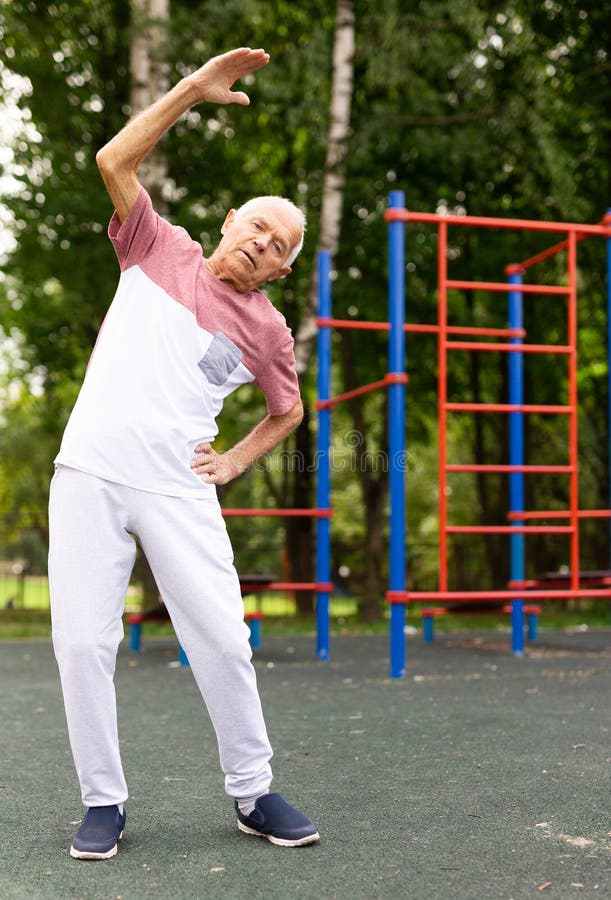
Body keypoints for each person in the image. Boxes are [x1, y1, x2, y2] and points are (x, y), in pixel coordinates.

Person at [48, 47, 319, 860]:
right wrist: (193, 92)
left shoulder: (267, 330)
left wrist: (233, 461)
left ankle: (253, 792)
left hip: (177, 485)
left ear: (279, 269)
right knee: (82, 643)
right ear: (231, 219)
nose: (261, 245)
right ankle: (103, 802)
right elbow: (114, 158)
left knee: (223, 638)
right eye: (257, 227)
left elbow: (287, 409)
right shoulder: (153, 246)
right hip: (89, 470)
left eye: (278, 247)